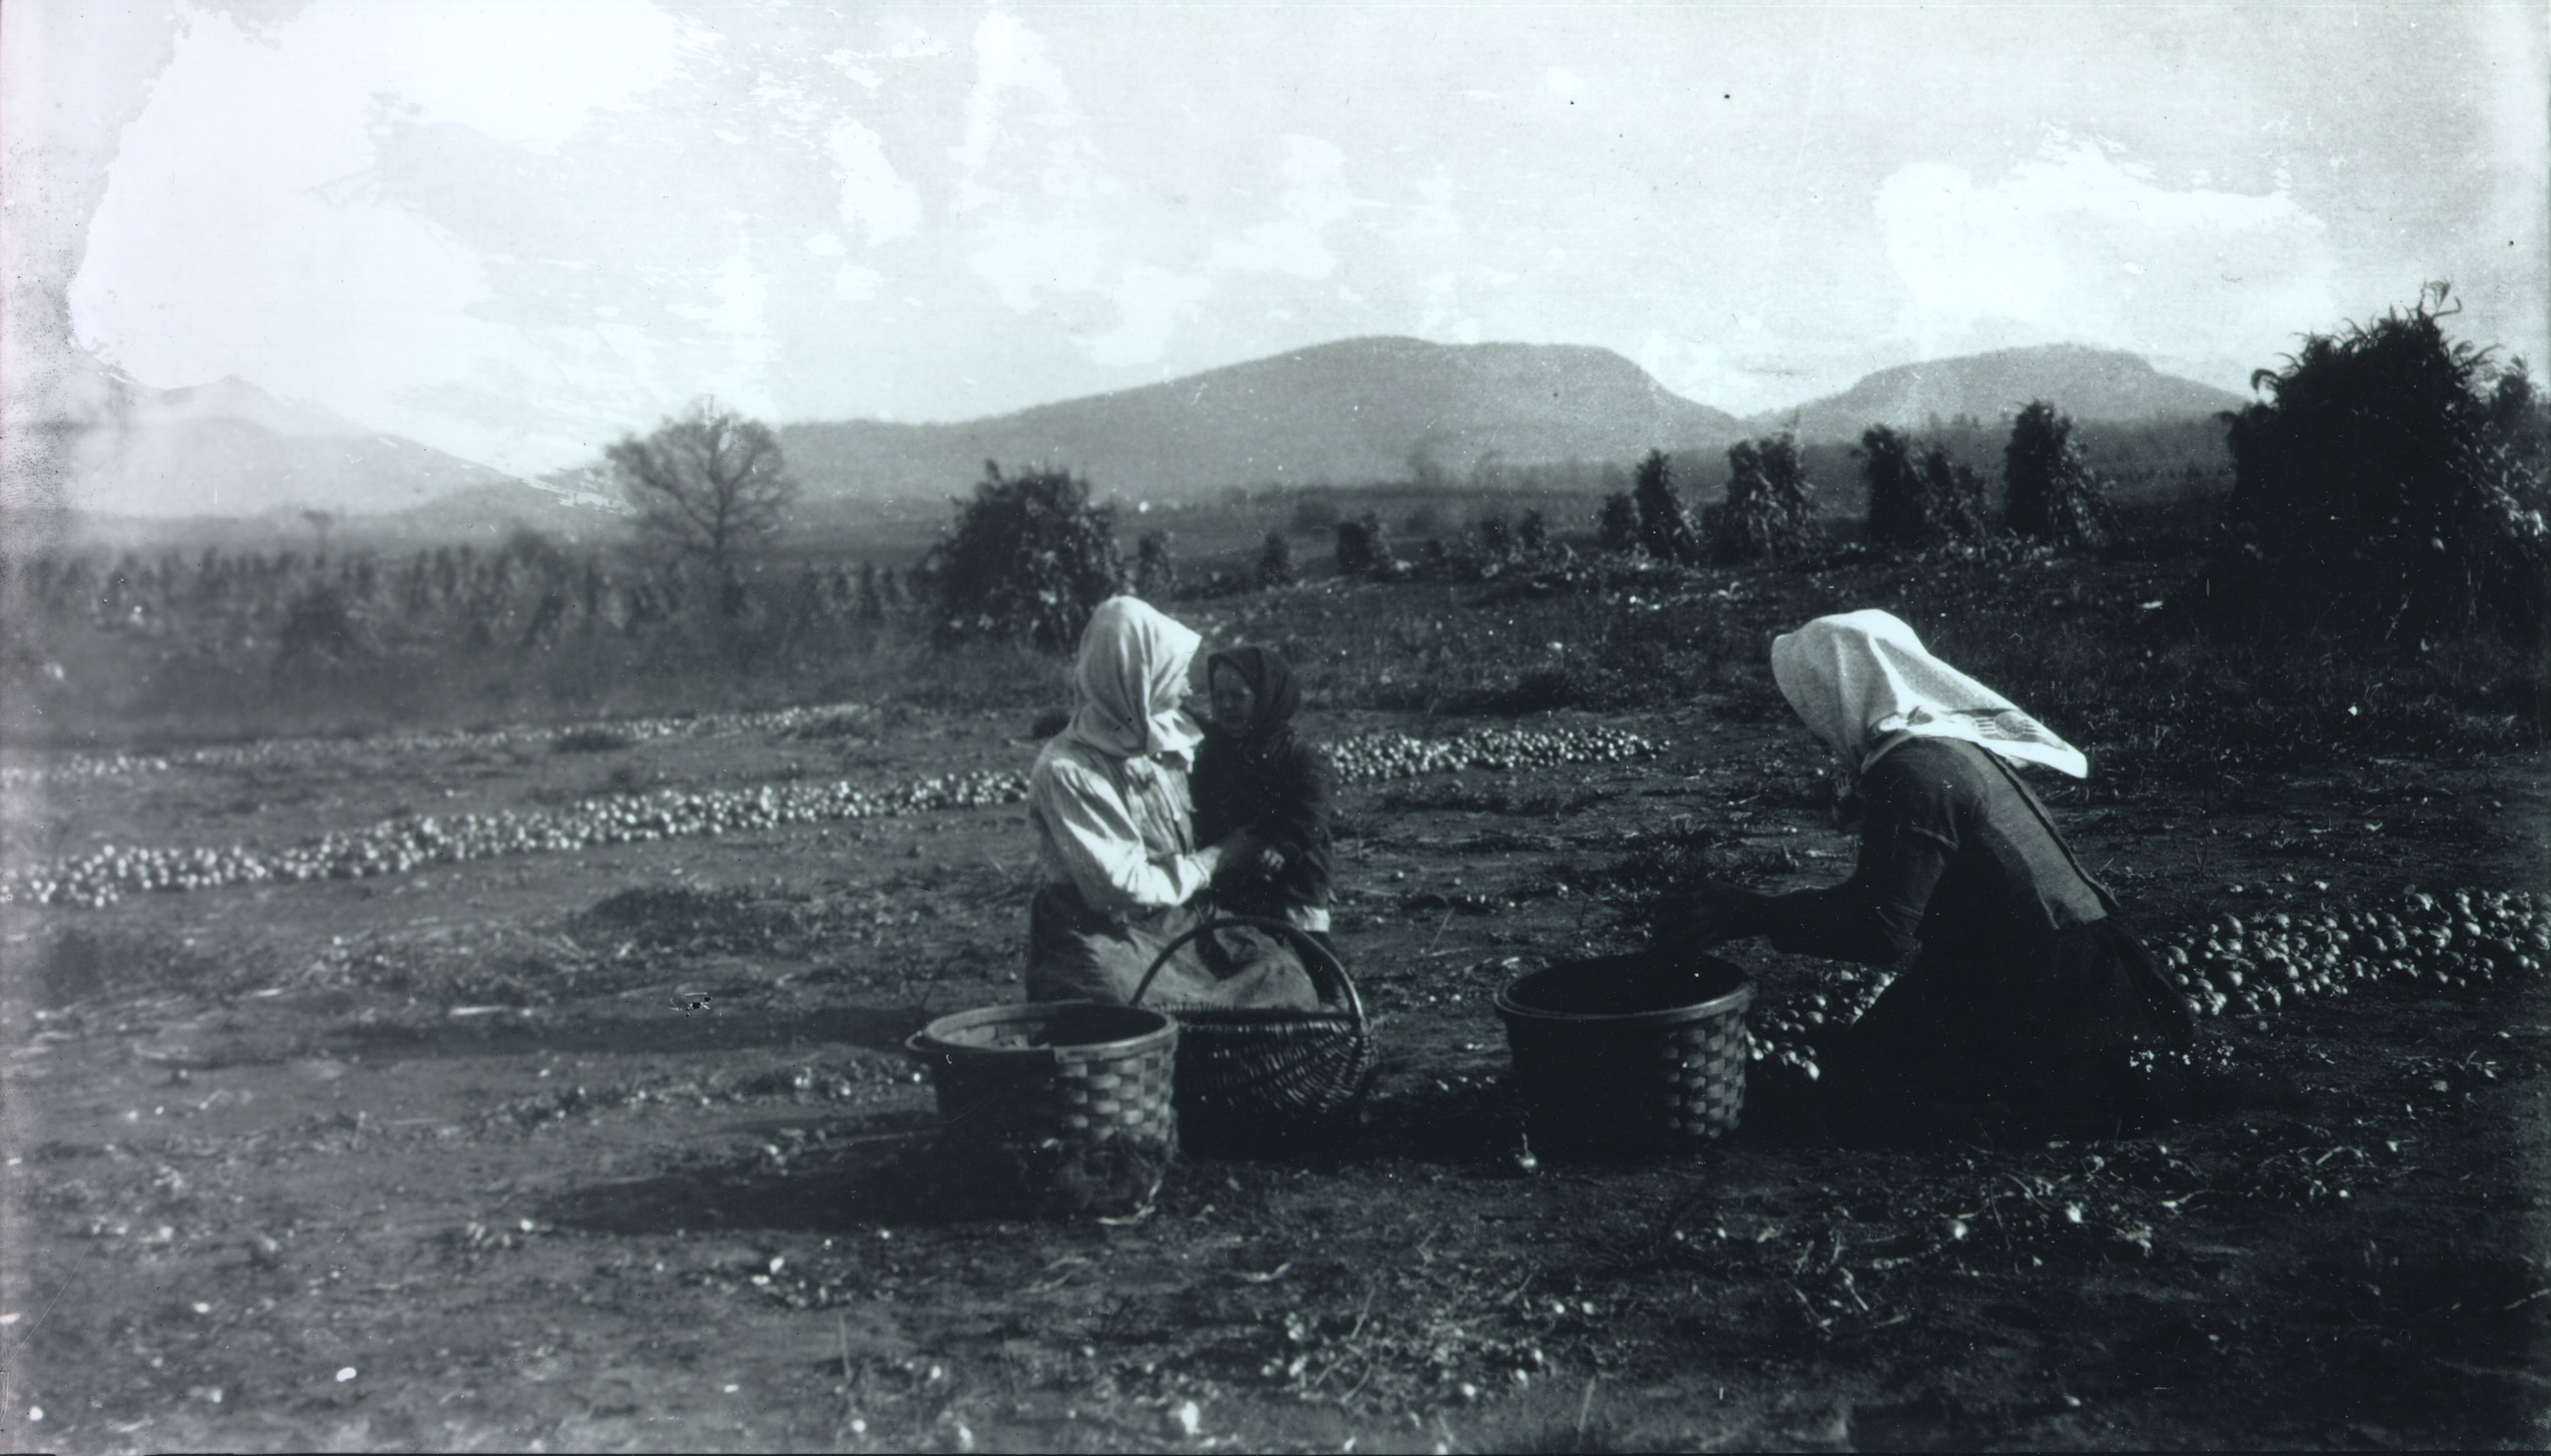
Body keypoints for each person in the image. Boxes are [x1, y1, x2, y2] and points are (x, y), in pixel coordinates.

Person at [1660, 609, 2198, 1133]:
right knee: (1858, 1067)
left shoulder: (1913, 772)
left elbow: (1878, 931)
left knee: (1850, 1104)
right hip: (2073, 962)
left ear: (1837, 694)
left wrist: (1752, 912)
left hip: (2051, 988)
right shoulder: (1944, 746)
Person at [1023, 596, 1321, 1010]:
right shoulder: (1068, 771)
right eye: (1175, 673)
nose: (1187, 687)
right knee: (1113, 1001)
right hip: (1105, 928)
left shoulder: (1168, 734)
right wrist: (1218, 858)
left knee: (1286, 981)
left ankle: (1203, 1020)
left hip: (1180, 915)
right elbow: (1118, 890)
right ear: (1137, 680)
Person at [1191, 646, 1337, 955]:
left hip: (1293, 868)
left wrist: (1285, 844)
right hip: (1242, 867)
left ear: (1266, 696)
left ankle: (1331, 995)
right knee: (1246, 936)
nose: (1227, 706)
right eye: (1219, 697)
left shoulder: (1298, 755)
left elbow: (1312, 810)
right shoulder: (1217, 749)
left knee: (1305, 937)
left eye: (1239, 697)